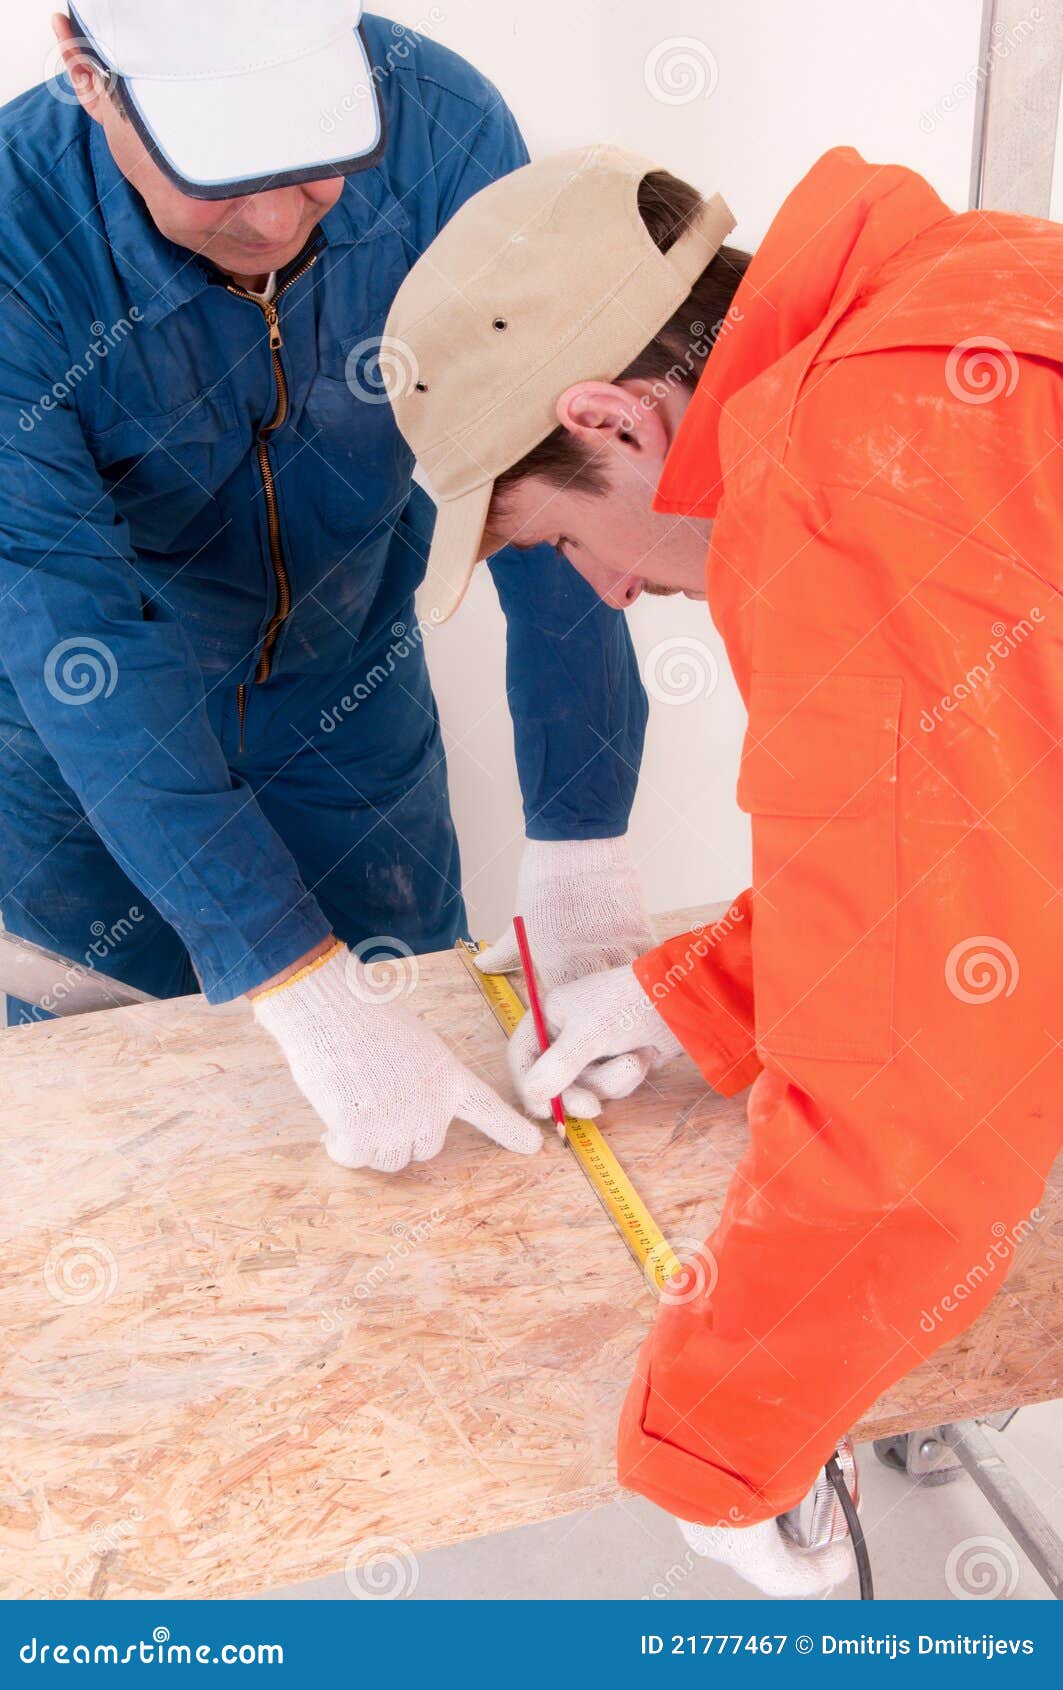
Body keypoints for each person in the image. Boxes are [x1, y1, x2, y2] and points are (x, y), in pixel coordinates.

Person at [382, 142, 1062, 1595]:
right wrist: (691, 997)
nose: (607, 587)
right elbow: (995, 827)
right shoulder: (971, 299)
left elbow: (926, 1112)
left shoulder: (844, 473)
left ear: (612, 417)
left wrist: (714, 1444)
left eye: (557, 533)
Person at [0, 6, 653, 1172]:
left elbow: (543, 463)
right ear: (87, 74)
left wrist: (582, 835)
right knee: (131, 1172)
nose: (270, 219)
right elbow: (69, 622)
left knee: (448, 1174)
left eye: (316, 166)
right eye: (221, 174)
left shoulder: (442, 123)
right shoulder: (13, 233)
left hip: (351, 722)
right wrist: (294, 981)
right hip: (79, 777)